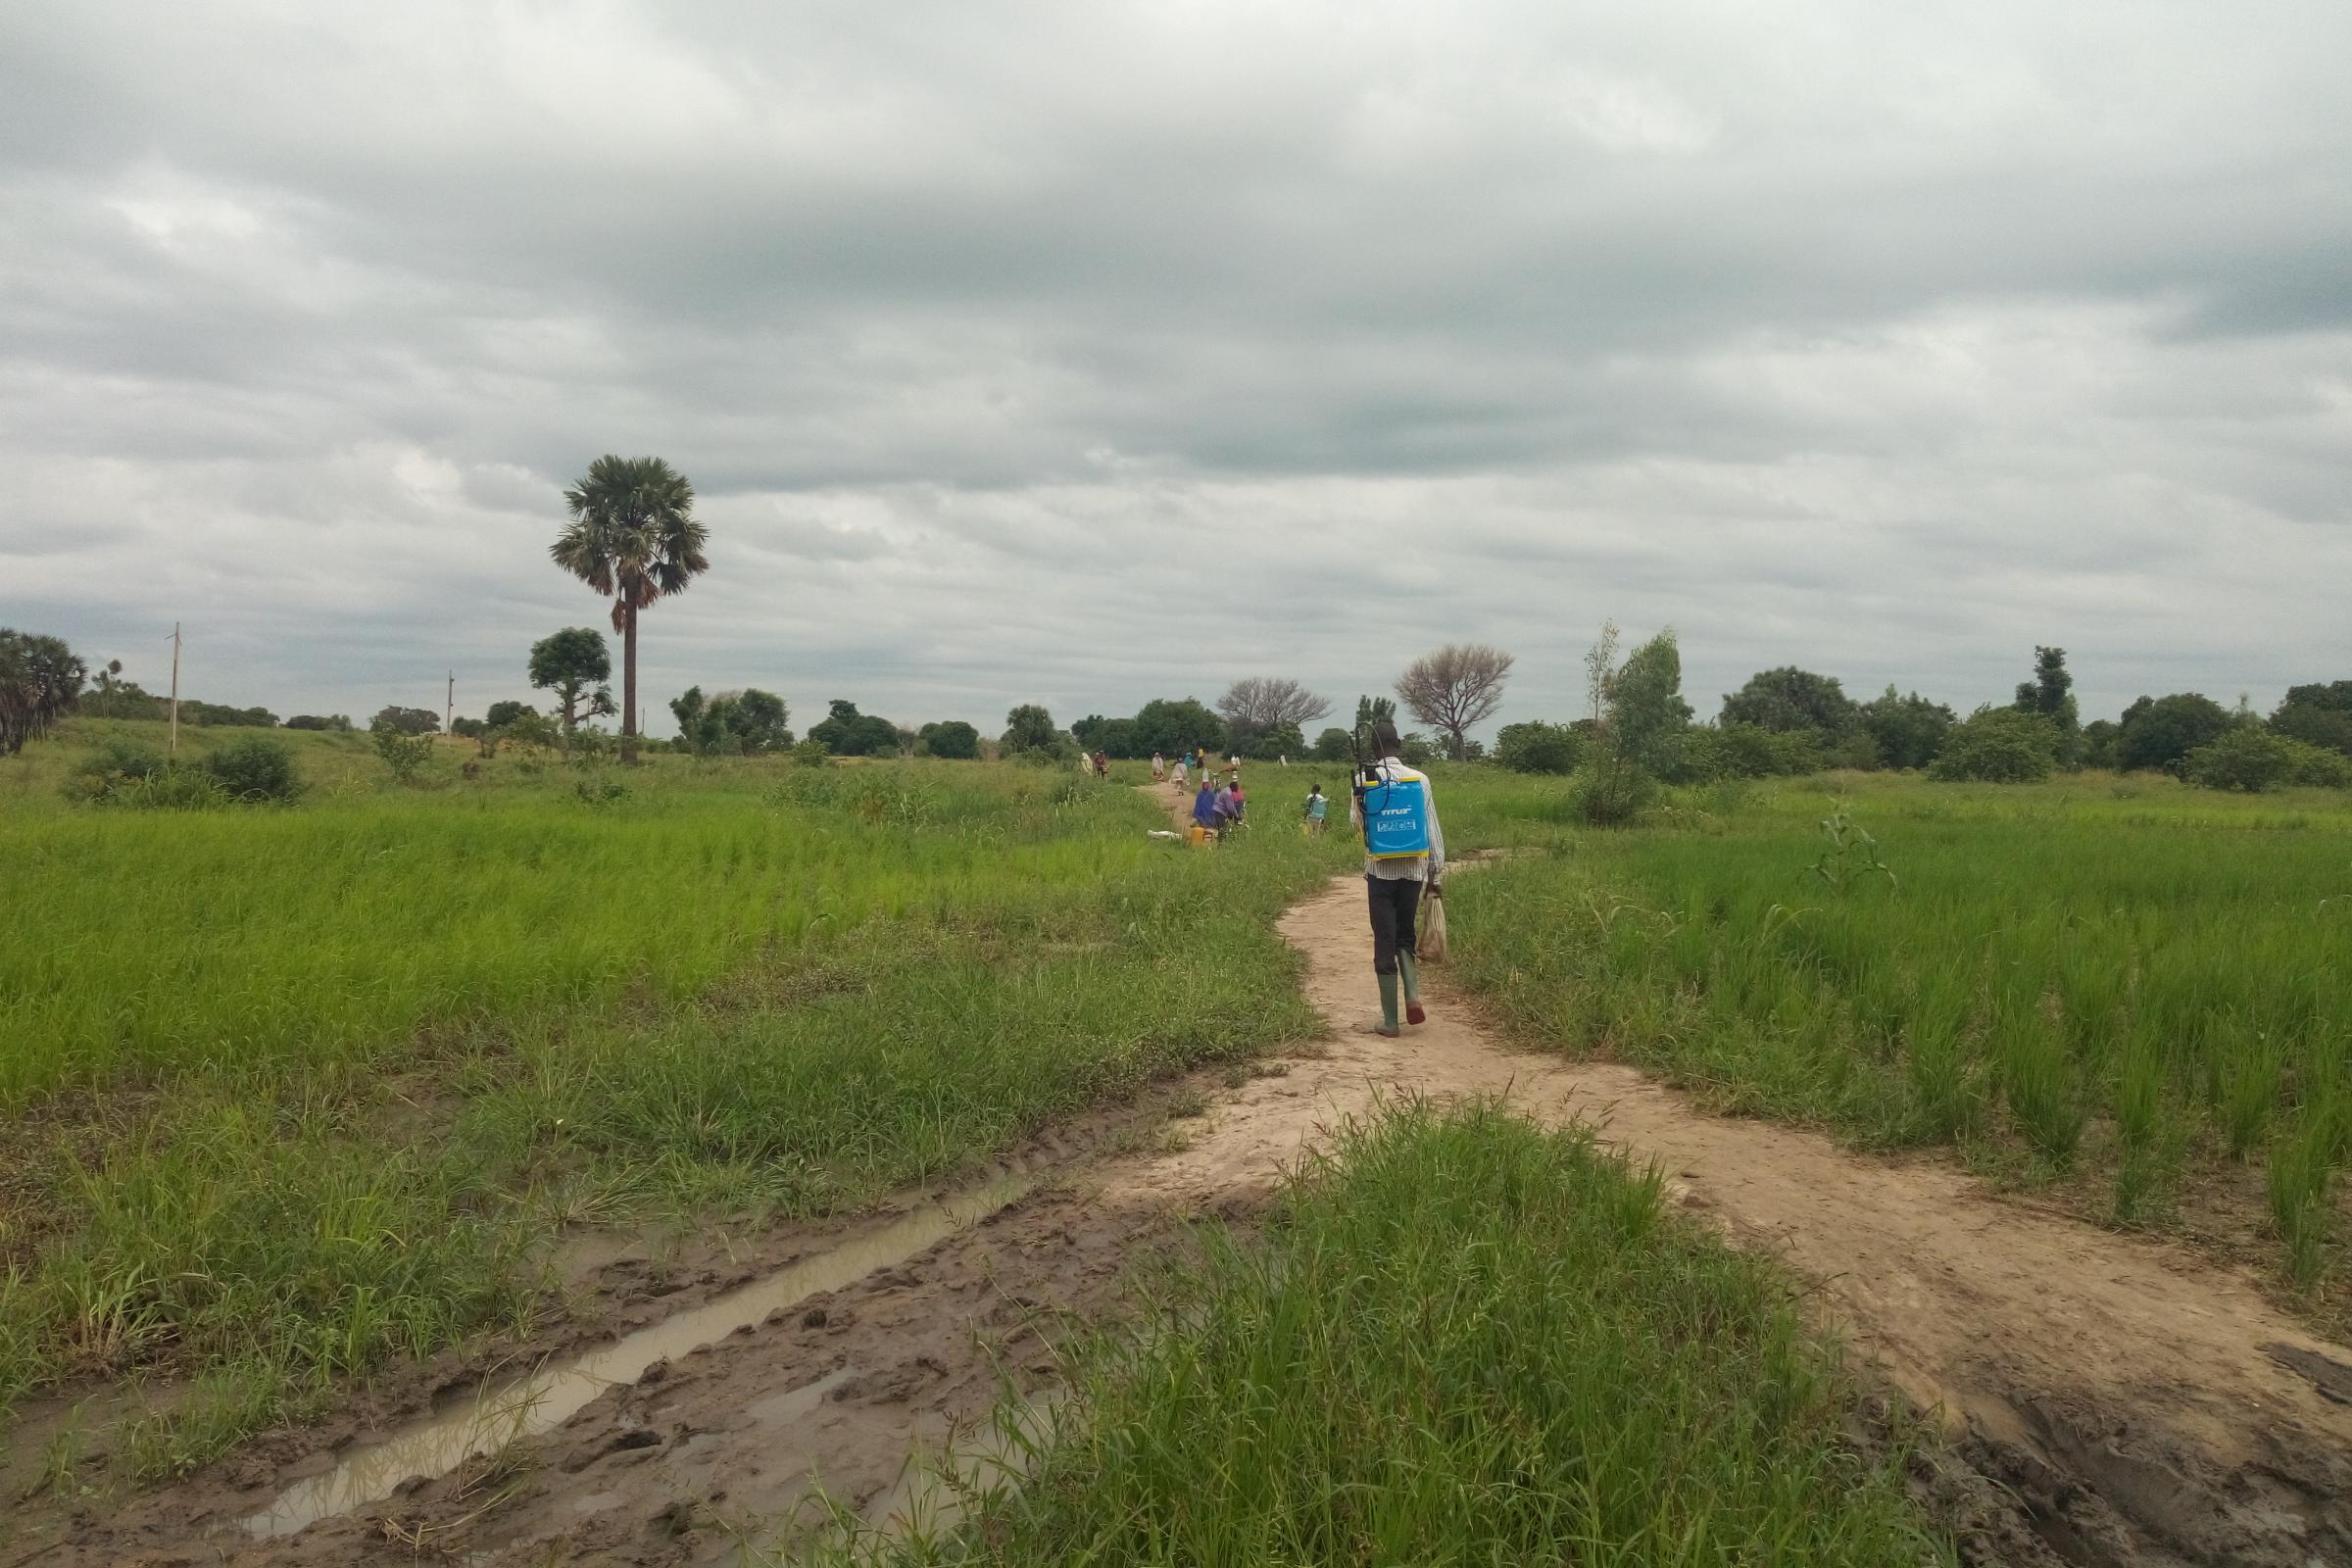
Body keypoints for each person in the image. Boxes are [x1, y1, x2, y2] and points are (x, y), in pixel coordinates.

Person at [1348, 719, 1444, 1036]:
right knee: (1405, 935)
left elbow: (1356, 823)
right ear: (1398, 745)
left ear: (1374, 749)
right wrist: (1435, 873)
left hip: (1380, 872)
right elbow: (1431, 828)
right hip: (1414, 870)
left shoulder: (1364, 779)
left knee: (1383, 939)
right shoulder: (1420, 779)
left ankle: (1390, 1021)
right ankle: (1413, 997)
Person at [1192, 778, 1221, 843]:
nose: (1205, 785)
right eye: (1204, 783)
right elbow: (1197, 810)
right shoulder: (1200, 795)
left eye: (1206, 783)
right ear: (1202, 785)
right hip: (1202, 818)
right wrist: (1201, 819)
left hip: (1211, 818)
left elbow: (1216, 805)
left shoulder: (1212, 794)